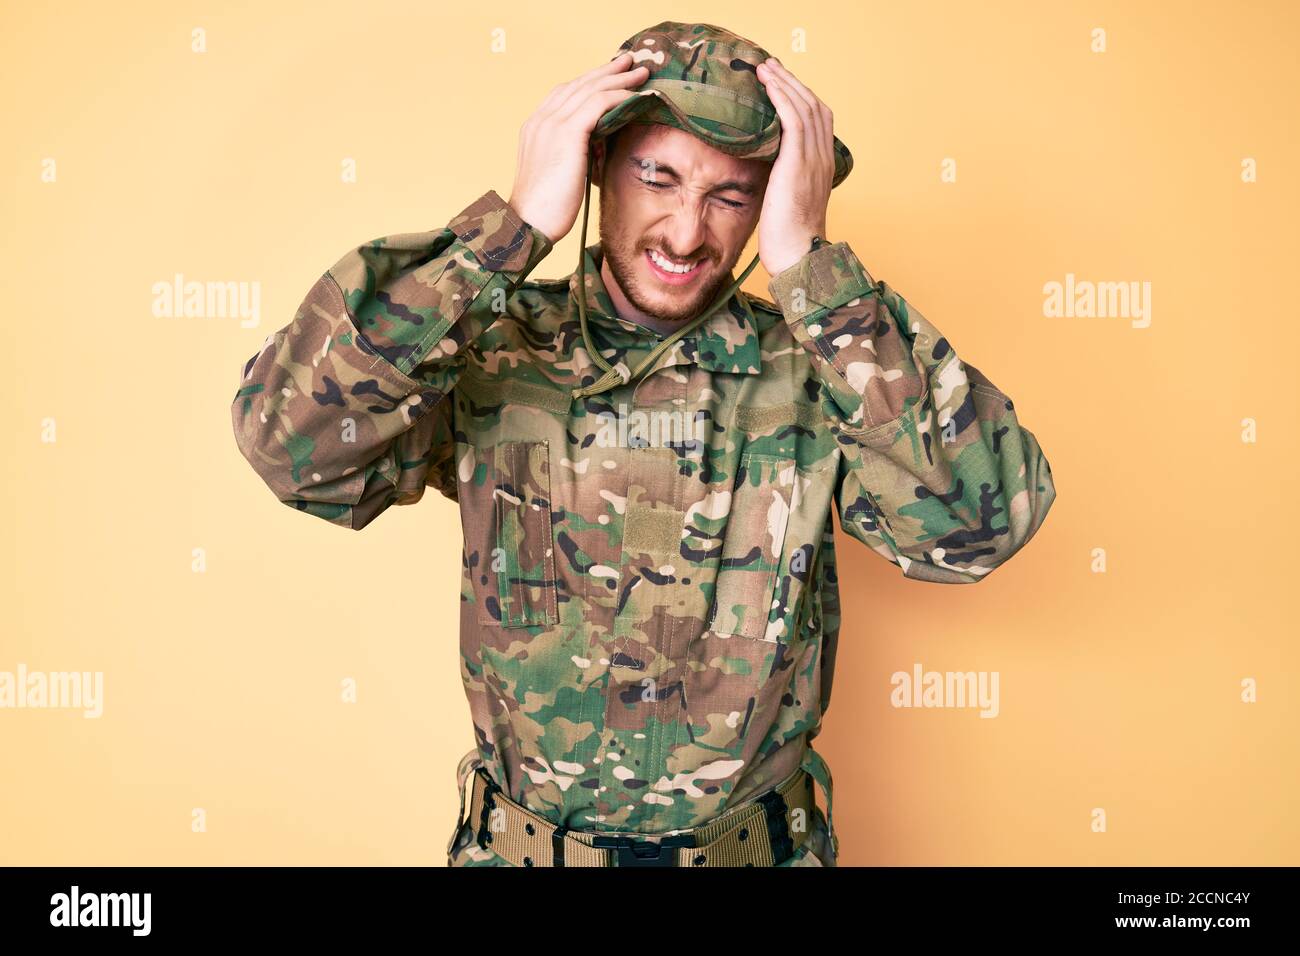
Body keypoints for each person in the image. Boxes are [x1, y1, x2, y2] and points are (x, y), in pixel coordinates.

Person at [229, 20, 1057, 867]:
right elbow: (289, 445)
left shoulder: (819, 370)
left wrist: (815, 273)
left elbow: (977, 531)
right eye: (657, 177)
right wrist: (506, 235)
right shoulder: (489, 349)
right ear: (594, 168)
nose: (686, 232)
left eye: (731, 197)